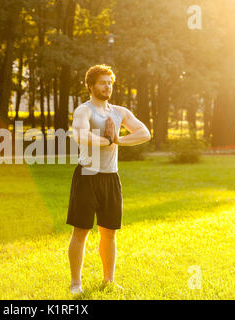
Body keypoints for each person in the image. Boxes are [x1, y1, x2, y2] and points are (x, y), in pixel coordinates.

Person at [67, 64, 151, 294]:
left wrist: (118, 140)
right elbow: (80, 135)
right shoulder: (84, 110)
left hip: (111, 178)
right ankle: (76, 283)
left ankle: (109, 280)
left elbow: (144, 133)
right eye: (103, 82)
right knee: (81, 231)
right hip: (87, 176)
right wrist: (107, 140)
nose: (107, 86)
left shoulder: (119, 111)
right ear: (91, 85)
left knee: (109, 232)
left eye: (110, 82)